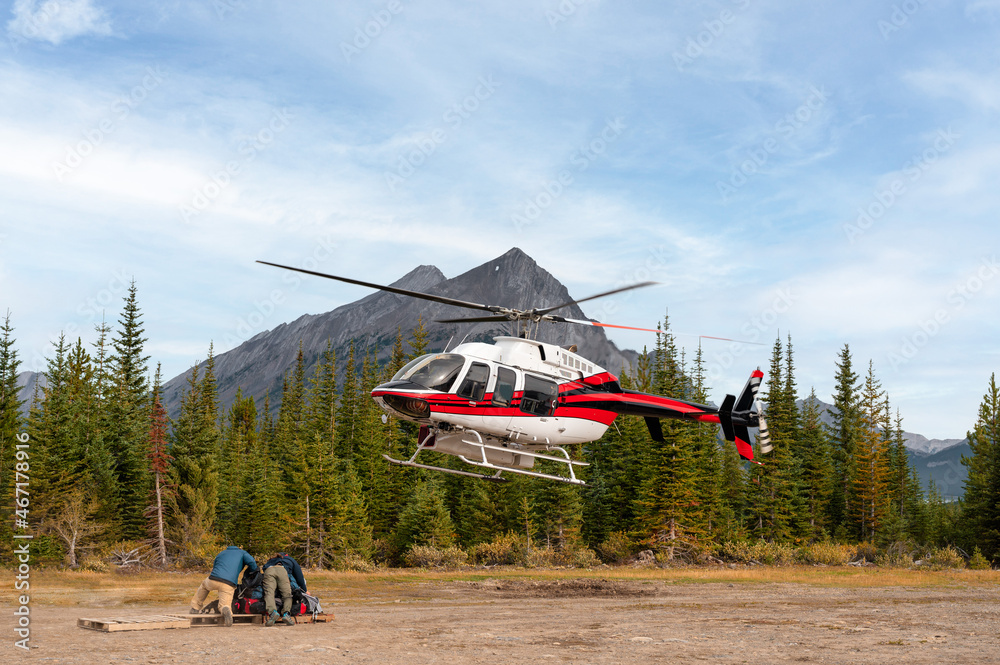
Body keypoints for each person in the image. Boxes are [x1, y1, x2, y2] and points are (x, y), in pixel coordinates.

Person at [190, 545, 258, 627]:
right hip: (228, 583)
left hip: (213, 579)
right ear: (239, 548)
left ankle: (195, 607)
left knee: (204, 586)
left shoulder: (221, 553)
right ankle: (225, 609)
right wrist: (253, 570)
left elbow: (215, 565)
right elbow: (252, 562)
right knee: (225, 603)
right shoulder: (242, 553)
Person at [261, 552, 306, 627]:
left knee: (269, 593)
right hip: (282, 570)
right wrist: (305, 589)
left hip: (269, 570)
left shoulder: (270, 561)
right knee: (287, 594)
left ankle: (272, 613)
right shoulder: (289, 559)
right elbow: (299, 576)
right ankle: (286, 614)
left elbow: (264, 569)